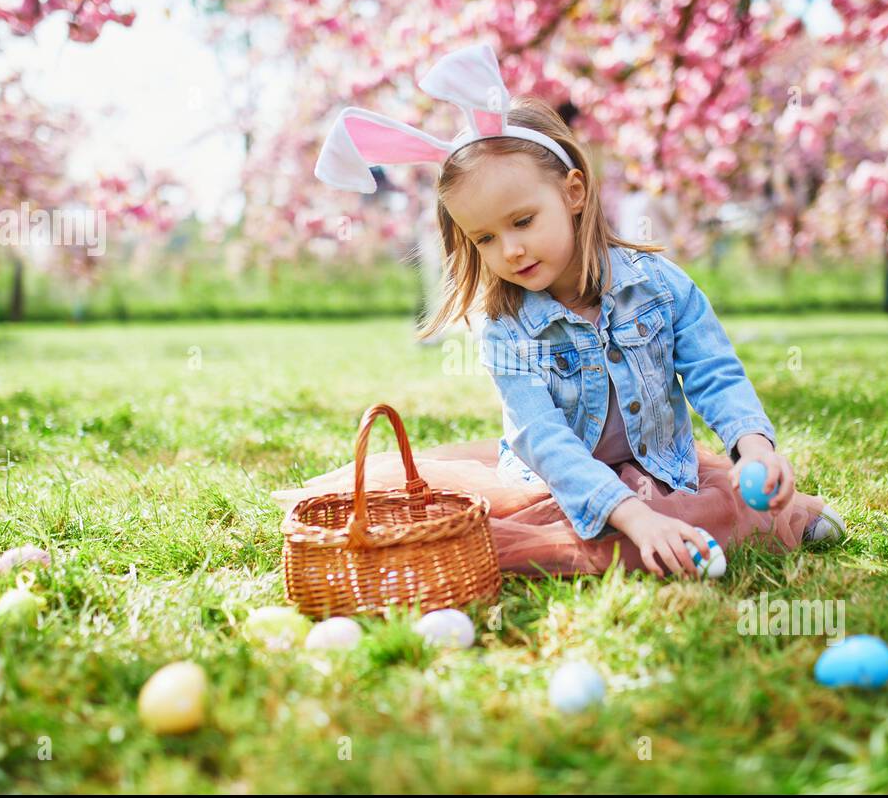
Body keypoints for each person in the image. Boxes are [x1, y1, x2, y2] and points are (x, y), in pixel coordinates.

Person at [273, 44, 844, 579]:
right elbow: (544, 438)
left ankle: (765, 515)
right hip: (561, 481)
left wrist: (753, 447)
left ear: (573, 193)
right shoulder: (506, 326)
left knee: (708, 504)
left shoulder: (660, 287)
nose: (510, 250)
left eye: (522, 221)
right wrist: (633, 515)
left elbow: (714, 373)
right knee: (596, 535)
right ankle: (656, 524)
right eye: (485, 238)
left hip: (658, 467)